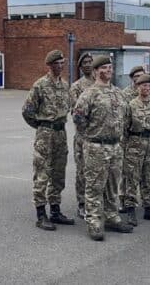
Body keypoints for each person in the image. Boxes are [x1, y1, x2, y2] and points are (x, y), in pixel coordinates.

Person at [73, 55, 134, 240]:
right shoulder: (89, 93)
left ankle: (111, 216)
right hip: (96, 146)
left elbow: (126, 117)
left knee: (112, 185)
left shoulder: (118, 93)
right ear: (96, 71)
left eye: (109, 67)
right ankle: (94, 222)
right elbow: (78, 119)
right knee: (94, 186)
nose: (108, 70)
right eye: (104, 68)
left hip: (115, 146)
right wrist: (90, 138)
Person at [22, 50, 75, 231]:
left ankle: (55, 210)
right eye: (57, 63)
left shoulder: (65, 86)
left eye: (62, 63)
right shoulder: (40, 85)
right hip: (45, 133)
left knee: (58, 174)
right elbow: (27, 111)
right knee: (42, 173)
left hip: (61, 133)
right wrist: (41, 126)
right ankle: (41, 214)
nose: (60, 66)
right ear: (50, 65)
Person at [121, 74, 150, 225]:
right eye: (143, 85)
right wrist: (125, 148)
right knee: (132, 177)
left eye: (149, 86)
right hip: (135, 143)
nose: (147, 88)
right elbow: (124, 128)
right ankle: (130, 209)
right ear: (137, 87)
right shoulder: (131, 105)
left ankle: (149, 208)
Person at [69, 52, 95, 219]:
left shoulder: (100, 83)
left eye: (89, 61)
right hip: (84, 137)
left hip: (100, 138)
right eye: (84, 62)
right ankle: (82, 204)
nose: (87, 64)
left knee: (97, 172)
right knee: (82, 172)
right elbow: (75, 113)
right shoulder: (76, 87)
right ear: (80, 67)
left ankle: (96, 203)